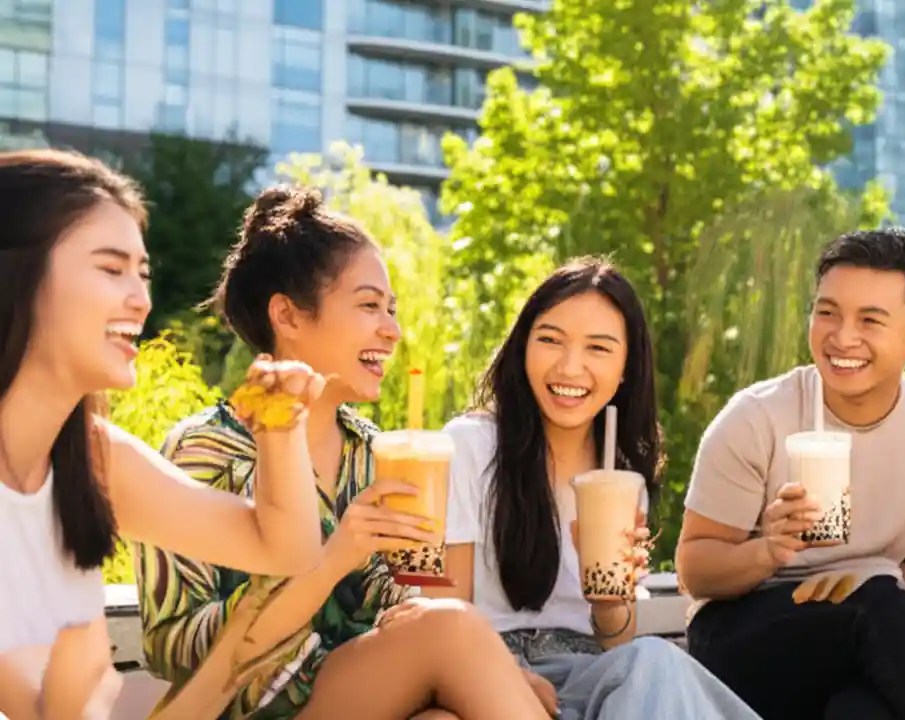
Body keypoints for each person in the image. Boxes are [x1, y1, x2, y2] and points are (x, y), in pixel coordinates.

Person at [135, 186, 548, 720]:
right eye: (369, 305)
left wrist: (498, 671)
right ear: (287, 315)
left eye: (392, 310)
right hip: (247, 706)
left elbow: (384, 597)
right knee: (451, 629)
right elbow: (170, 646)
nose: (393, 331)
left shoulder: (370, 451)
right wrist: (329, 565)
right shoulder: (206, 450)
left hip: (358, 695)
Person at [0, 150, 326, 720]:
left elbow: (285, 547)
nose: (142, 298)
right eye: (110, 268)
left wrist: (280, 428)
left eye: (143, 274)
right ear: (17, 275)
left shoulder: (93, 461)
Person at [427, 258, 761, 720]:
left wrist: (610, 601)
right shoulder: (470, 446)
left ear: (626, 367)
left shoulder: (622, 479)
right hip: (488, 669)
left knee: (653, 660)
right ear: (523, 346)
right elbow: (449, 611)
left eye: (598, 349)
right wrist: (503, 677)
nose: (570, 367)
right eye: (550, 340)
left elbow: (614, 643)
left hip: (594, 676)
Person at [675, 228, 905, 720]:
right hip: (741, 641)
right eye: (827, 312)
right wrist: (767, 551)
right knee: (883, 605)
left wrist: (869, 577)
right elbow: (694, 570)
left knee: (860, 711)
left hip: (866, 641)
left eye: (870, 320)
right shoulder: (757, 416)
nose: (842, 337)